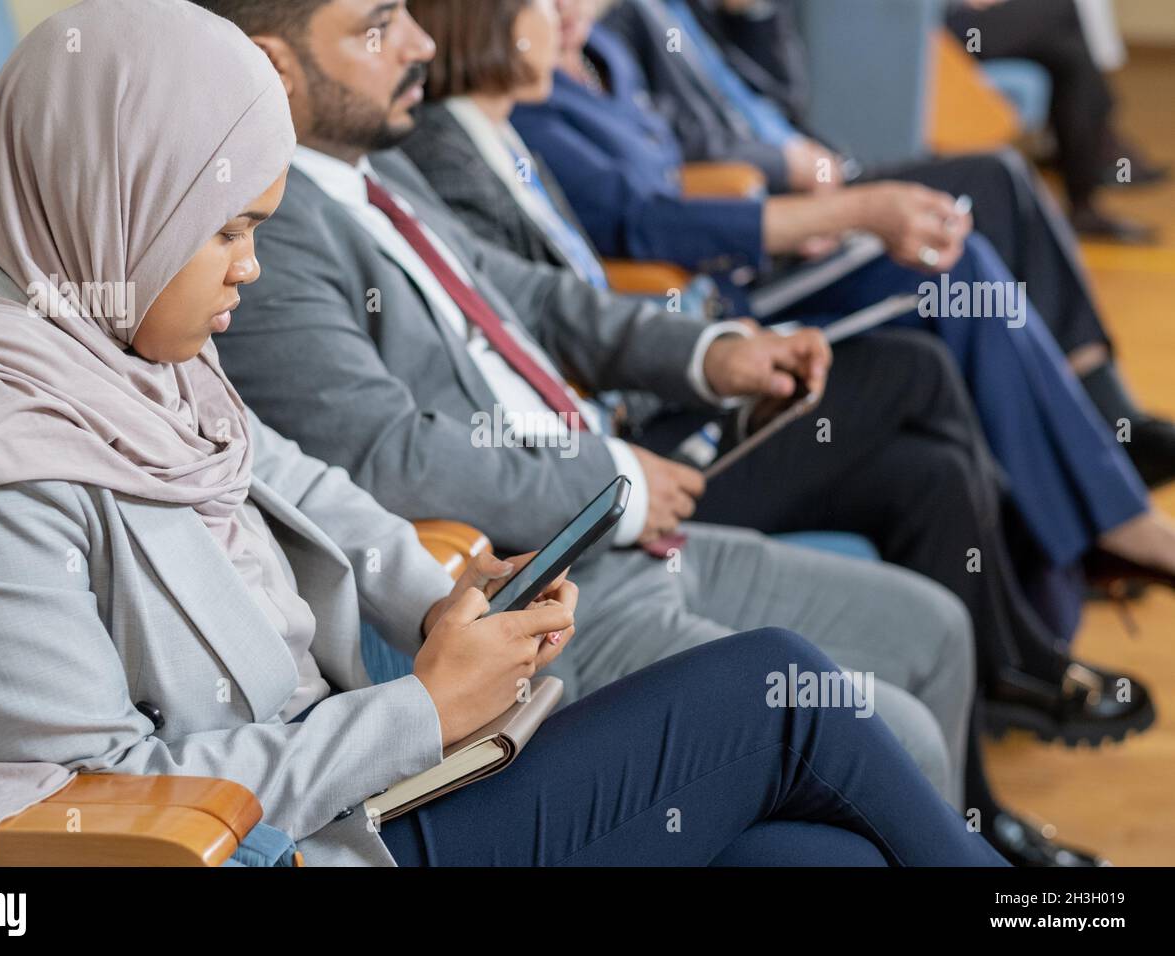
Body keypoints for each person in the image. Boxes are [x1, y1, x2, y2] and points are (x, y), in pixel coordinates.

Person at [0, 0, 1007, 869]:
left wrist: (445, 599)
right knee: (780, 686)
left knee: (826, 855)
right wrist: (419, 709)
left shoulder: (118, 341)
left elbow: (303, 478)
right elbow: (101, 799)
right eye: (222, 230)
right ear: (111, 201)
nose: (250, 266)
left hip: (380, 772)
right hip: (322, 835)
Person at [197, 0, 1126, 864]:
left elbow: (539, 298)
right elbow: (388, 455)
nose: (420, 44)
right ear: (276, 67)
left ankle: (978, 831)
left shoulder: (375, 171)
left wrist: (708, 352)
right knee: (891, 729)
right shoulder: (270, 242)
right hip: (555, 576)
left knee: (934, 625)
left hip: (617, 529)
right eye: (377, 25)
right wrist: (618, 479)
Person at [659, 0, 1175, 483]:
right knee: (983, 202)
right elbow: (672, 154)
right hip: (776, 212)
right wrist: (789, 175)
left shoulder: (702, 12)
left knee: (996, 190)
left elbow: (785, 100)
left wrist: (754, 15)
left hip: (822, 174)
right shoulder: (639, 23)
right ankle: (1102, 435)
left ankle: (1101, 421)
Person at [946, 0, 1168, 241]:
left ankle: (1085, 204)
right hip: (948, 37)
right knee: (1063, 8)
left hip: (957, 20)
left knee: (1068, 54)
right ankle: (1104, 144)